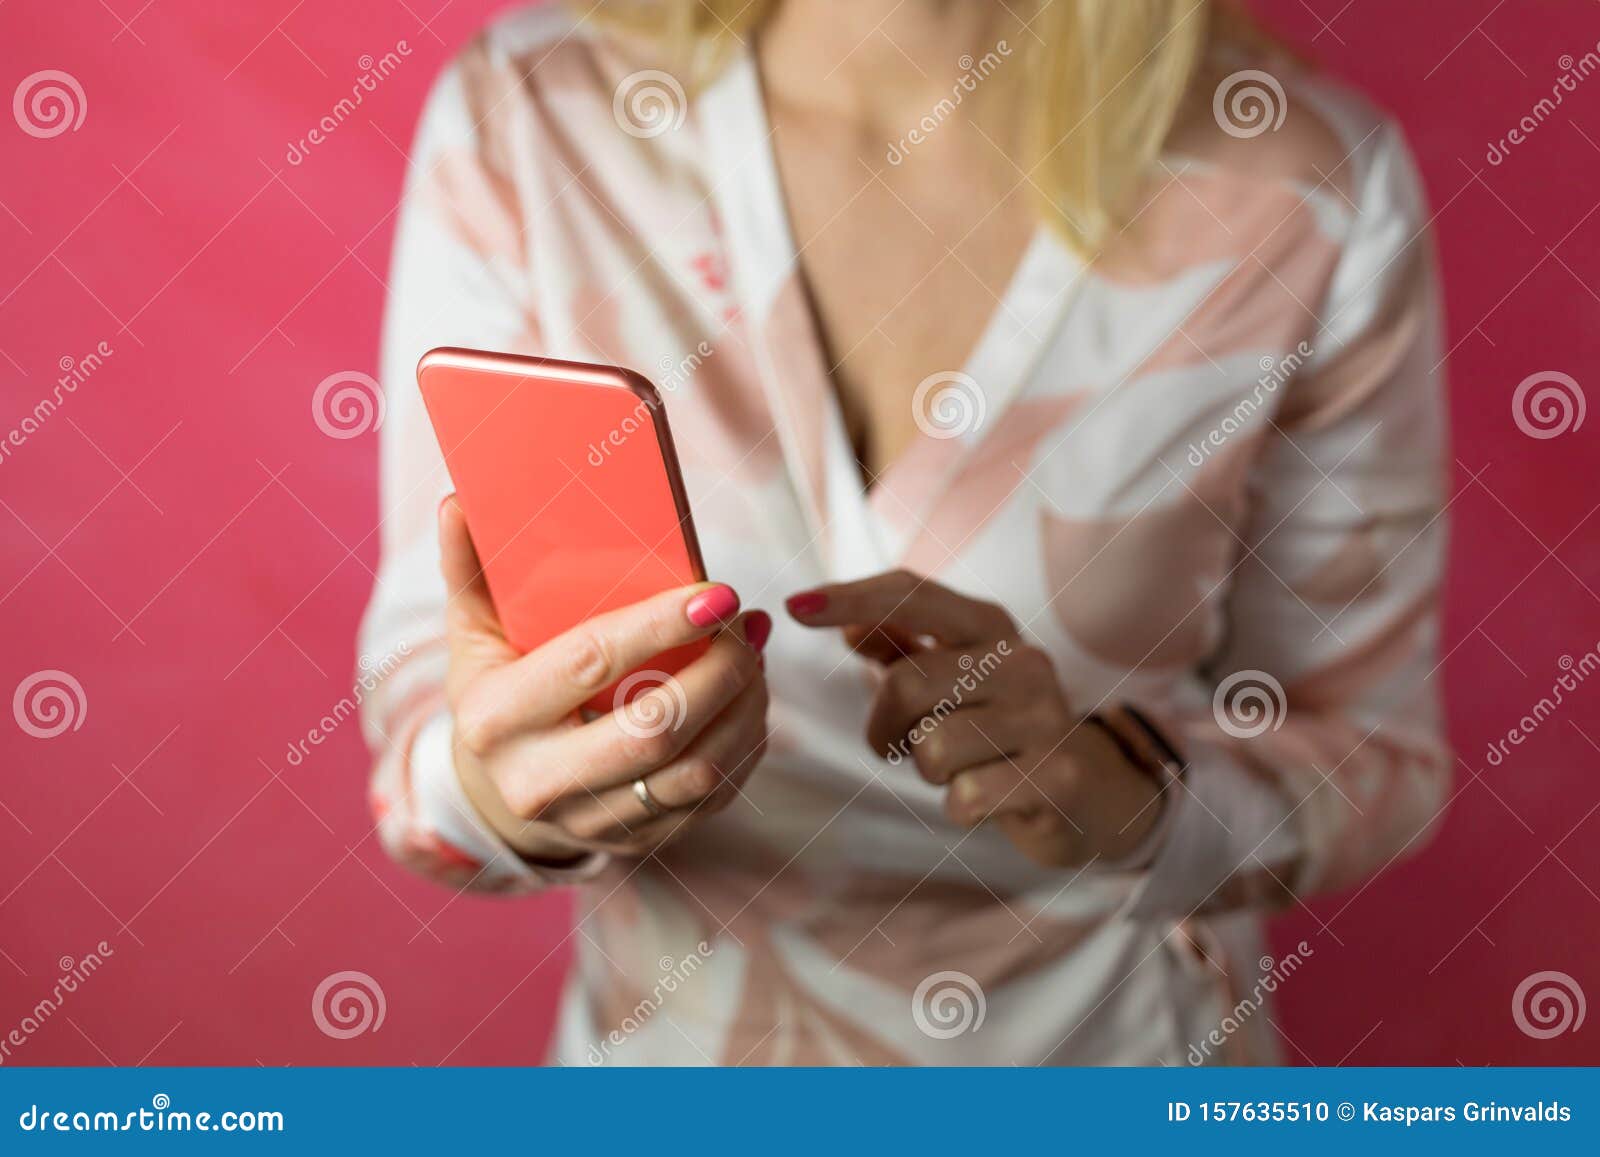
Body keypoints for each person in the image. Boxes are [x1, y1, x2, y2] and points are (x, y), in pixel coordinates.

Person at [359, 0, 1450, 1064]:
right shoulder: (535, 115)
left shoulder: (1306, 185)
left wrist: (1126, 791)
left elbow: (1372, 754)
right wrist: (508, 786)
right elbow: (424, 733)